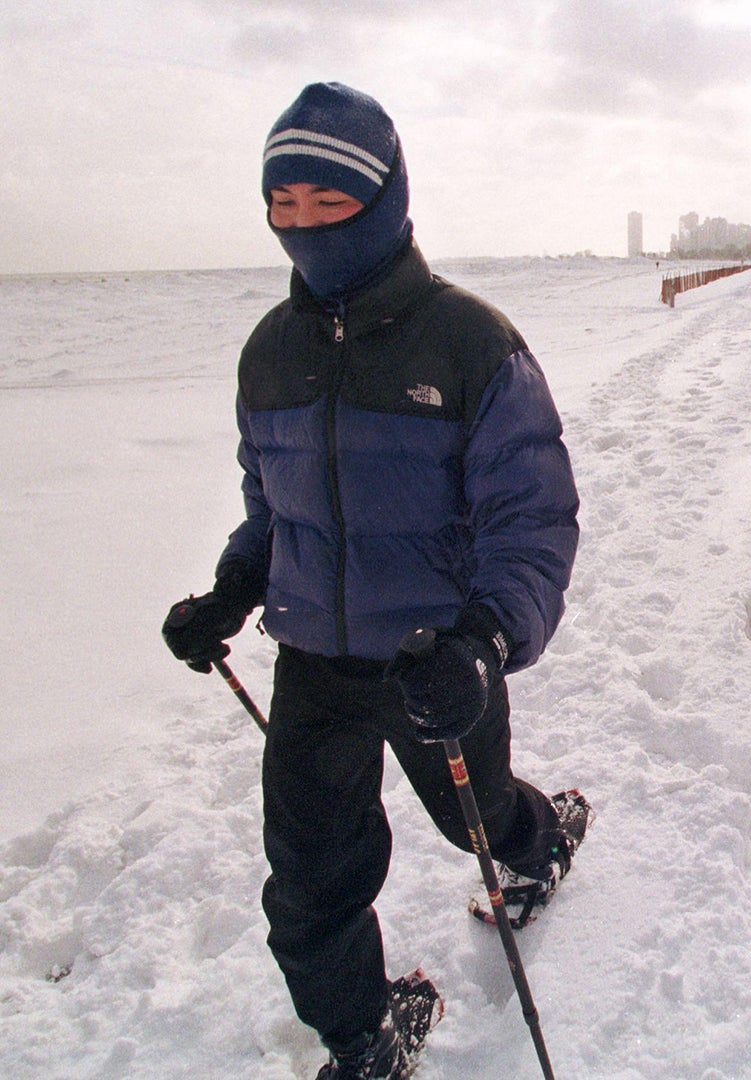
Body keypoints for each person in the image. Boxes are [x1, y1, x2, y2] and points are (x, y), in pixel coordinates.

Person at [161, 82, 588, 1080]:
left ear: (387, 197)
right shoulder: (271, 352)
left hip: (433, 659)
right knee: (310, 881)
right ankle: (361, 1038)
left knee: (474, 816)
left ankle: (542, 842)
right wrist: (233, 590)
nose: (304, 224)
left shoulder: (471, 343)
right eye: (284, 203)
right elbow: (274, 511)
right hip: (312, 660)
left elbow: (531, 521)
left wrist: (484, 641)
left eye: (331, 200)